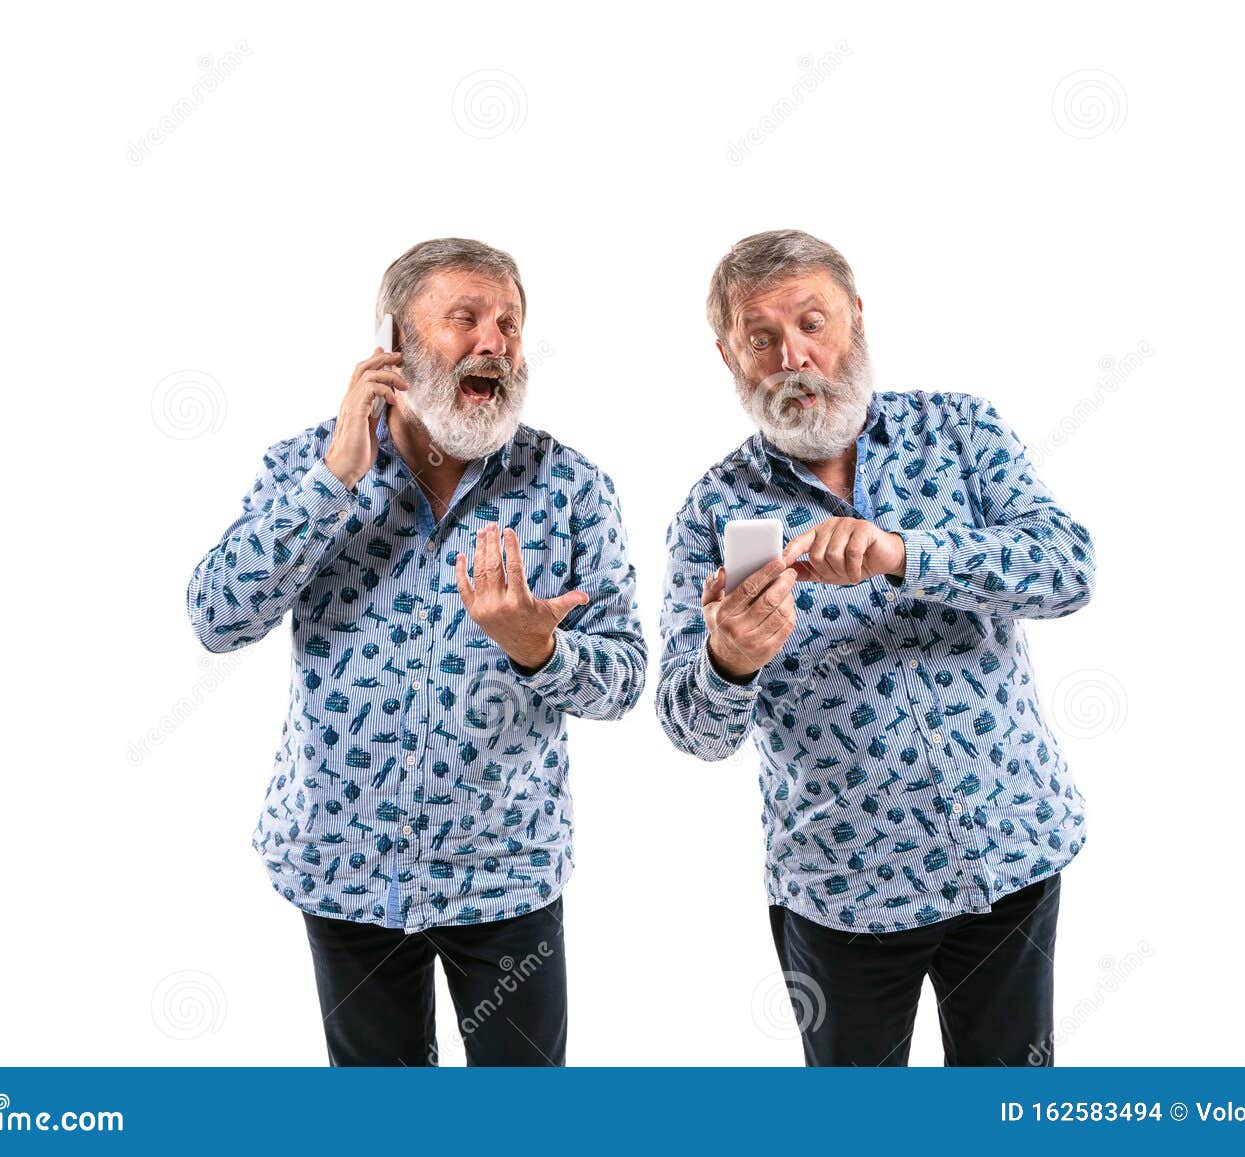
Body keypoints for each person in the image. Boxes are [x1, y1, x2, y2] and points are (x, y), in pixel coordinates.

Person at [187, 238, 646, 1066]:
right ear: (394, 340)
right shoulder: (306, 465)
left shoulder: (570, 485)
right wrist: (334, 478)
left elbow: (623, 681)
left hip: (507, 871)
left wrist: (540, 650)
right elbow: (217, 617)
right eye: (464, 318)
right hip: (344, 866)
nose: (494, 342)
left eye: (508, 323)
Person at [654, 229, 1096, 1066]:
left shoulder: (960, 430)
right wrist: (731, 661)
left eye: (813, 322)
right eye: (763, 337)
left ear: (855, 318)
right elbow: (691, 728)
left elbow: (1068, 569)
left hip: (1010, 851)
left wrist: (907, 553)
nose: (795, 356)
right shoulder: (710, 514)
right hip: (843, 895)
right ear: (729, 356)